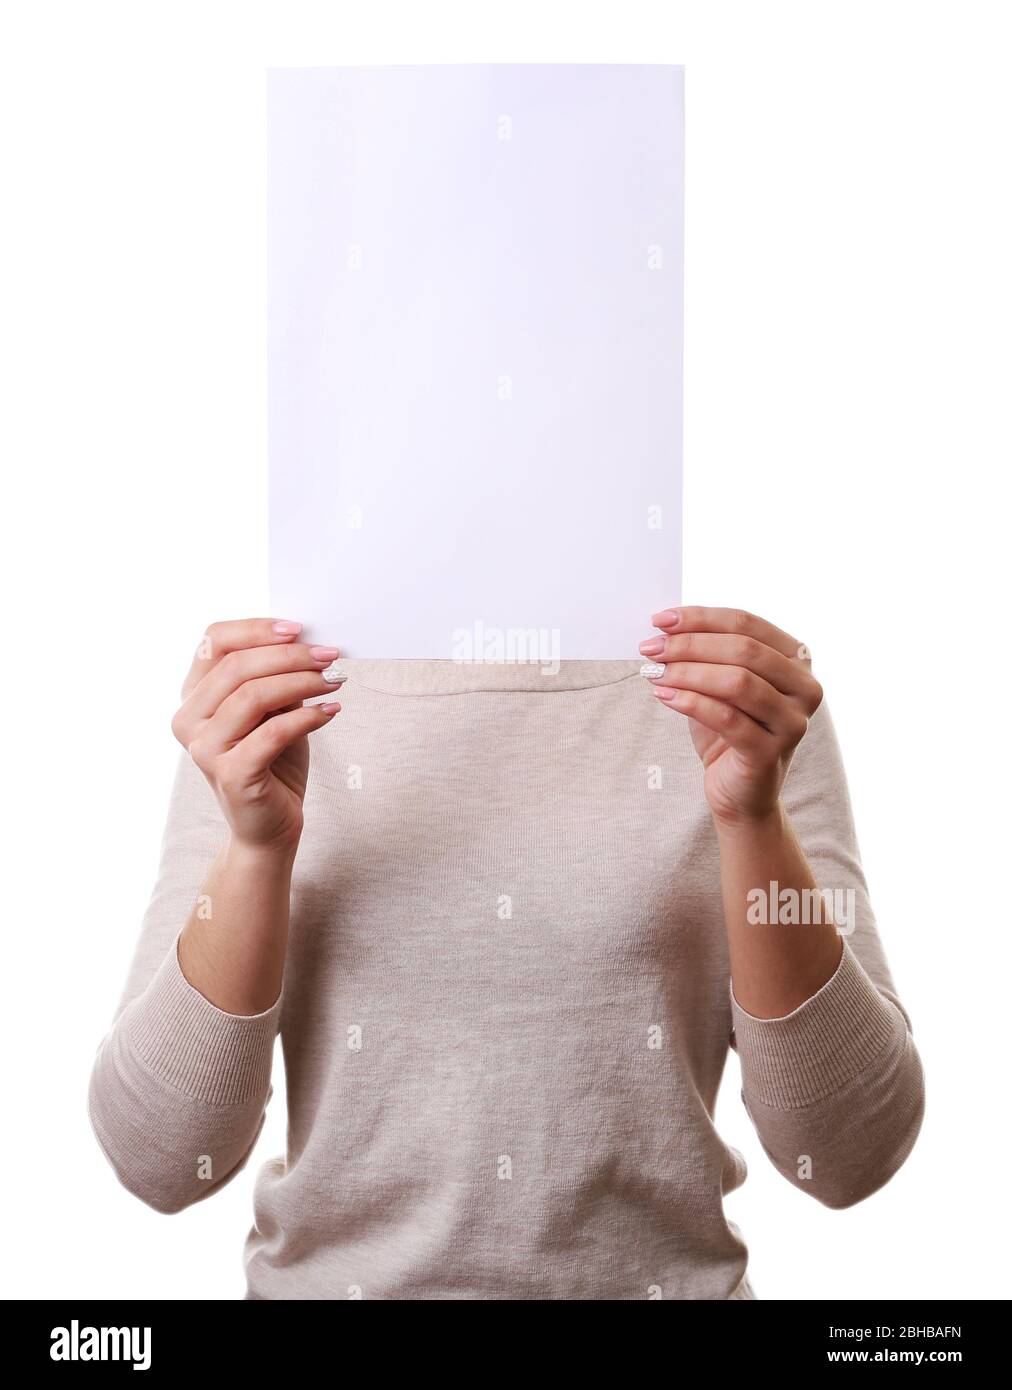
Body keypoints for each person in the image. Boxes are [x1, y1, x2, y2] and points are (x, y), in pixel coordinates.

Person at [88, 606, 924, 1300]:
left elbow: (850, 1155)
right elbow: (161, 1158)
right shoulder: (260, 697)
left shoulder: (741, 696)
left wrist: (753, 819)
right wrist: (256, 850)